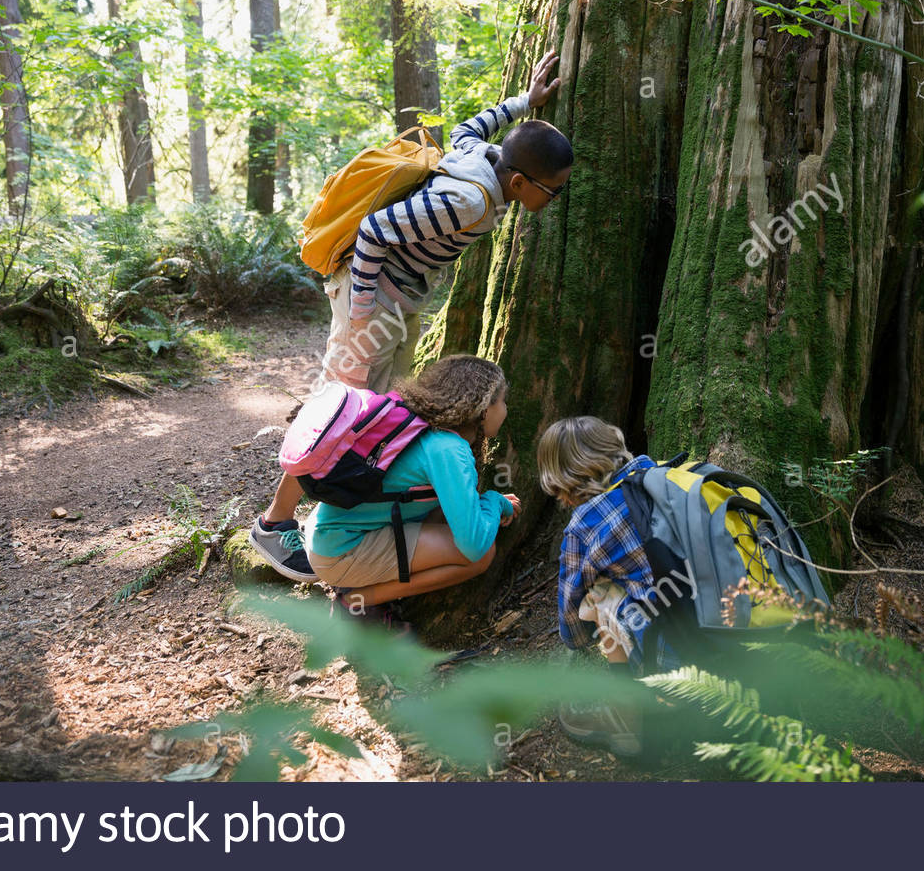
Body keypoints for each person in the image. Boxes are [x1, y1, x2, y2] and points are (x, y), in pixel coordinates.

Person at [251, 50, 570, 579]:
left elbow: (470, 127)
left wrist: (524, 103)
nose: (554, 198)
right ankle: (274, 523)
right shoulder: (468, 202)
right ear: (520, 183)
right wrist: (361, 313)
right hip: (373, 295)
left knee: (376, 406)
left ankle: (346, 517)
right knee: (336, 411)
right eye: (551, 190)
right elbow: (375, 231)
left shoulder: (481, 157)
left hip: (398, 298)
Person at [306, 355, 520, 629]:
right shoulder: (449, 450)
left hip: (327, 534)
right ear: (483, 409)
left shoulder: (420, 426)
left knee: (447, 517)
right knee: (482, 556)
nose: (505, 409)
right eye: (502, 400)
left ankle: (361, 582)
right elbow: (474, 544)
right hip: (339, 552)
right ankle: (357, 599)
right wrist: (493, 501)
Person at [536, 416, 663, 756]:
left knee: (597, 595)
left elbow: (573, 626)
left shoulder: (584, 525)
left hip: (672, 650)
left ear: (565, 482)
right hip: (727, 619)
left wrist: (577, 637)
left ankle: (629, 719)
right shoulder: (660, 475)